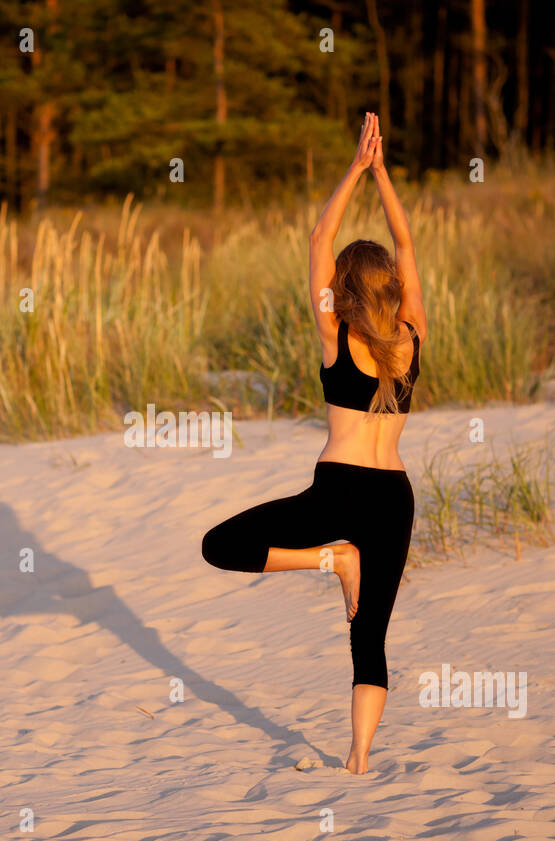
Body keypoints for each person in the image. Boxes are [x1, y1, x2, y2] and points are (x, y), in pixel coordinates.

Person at [201, 113, 427, 774]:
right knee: (371, 636)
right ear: (390, 288)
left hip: (339, 491)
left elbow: (318, 235)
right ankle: (359, 756)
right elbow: (407, 244)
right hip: (394, 496)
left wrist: (357, 168)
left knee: (223, 546)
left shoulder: (336, 337)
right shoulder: (411, 334)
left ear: (344, 289)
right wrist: (385, 174)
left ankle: (333, 563)